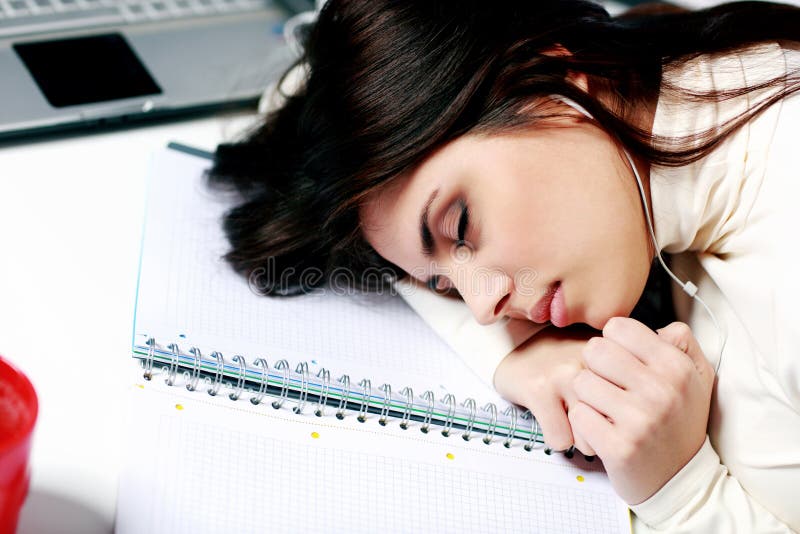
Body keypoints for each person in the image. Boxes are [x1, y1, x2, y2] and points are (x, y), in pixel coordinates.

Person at [205, 0, 800, 531]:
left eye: (462, 226)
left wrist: (683, 492)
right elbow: (296, 104)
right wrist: (520, 357)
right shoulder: (668, 82)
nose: (485, 310)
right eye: (441, 284)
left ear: (552, 81)